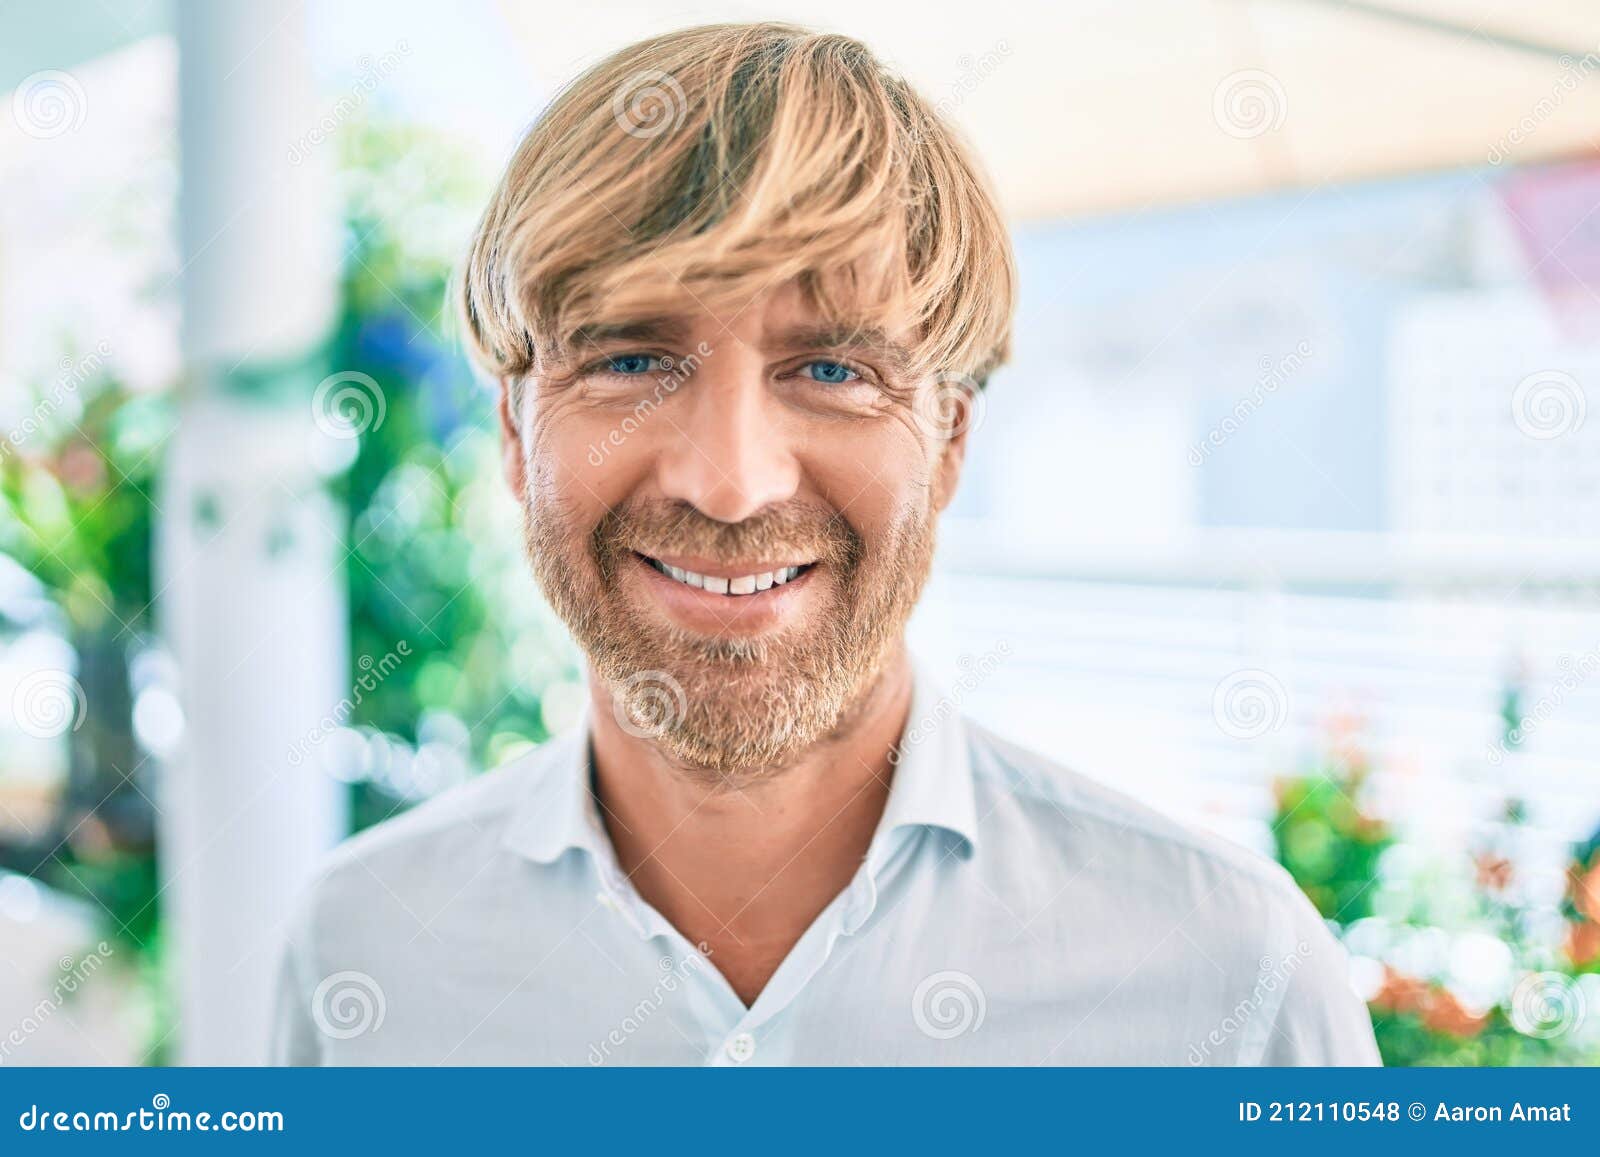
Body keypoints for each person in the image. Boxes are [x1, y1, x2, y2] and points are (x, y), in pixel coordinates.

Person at [271, 21, 1380, 1066]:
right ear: (514, 429)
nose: (730, 482)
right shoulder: (363, 954)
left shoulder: (1236, 984)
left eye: (835, 371)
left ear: (949, 437)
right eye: (628, 358)